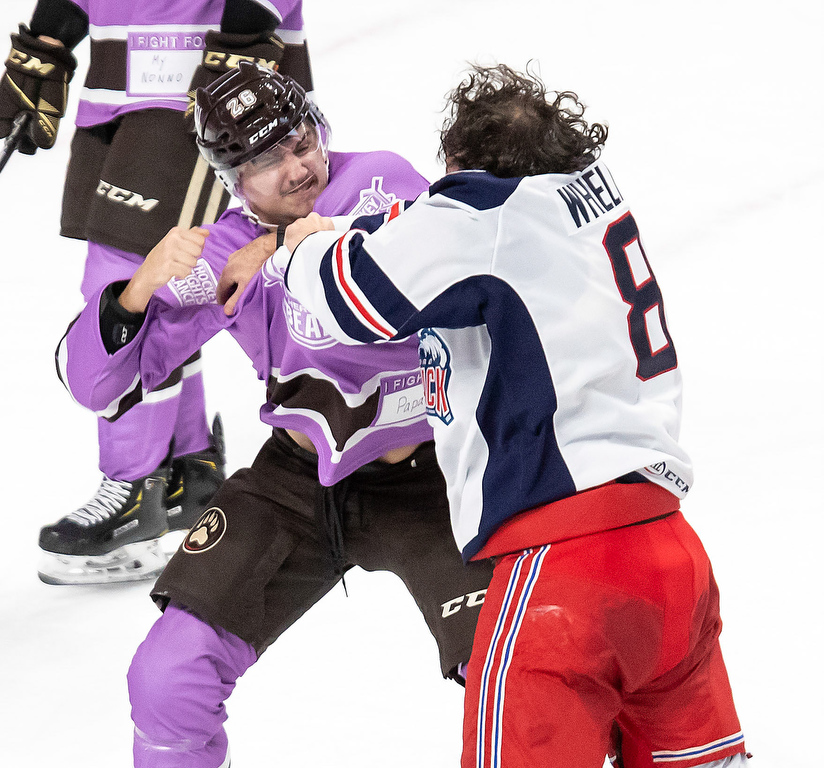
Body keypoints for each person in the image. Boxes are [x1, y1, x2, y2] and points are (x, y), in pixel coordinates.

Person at [262, 63, 749, 767]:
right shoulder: (586, 197)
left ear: (463, 168)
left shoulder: (477, 218)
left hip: (564, 575)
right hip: (671, 561)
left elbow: (352, 301)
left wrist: (296, 247)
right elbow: (437, 232)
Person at [57, 61, 497, 767]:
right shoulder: (218, 256)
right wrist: (136, 290)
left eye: (301, 142)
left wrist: (290, 251)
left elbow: (430, 256)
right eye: (267, 160)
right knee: (167, 680)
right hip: (297, 484)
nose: (299, 168)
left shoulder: (380, 180)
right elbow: (97, 384)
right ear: (231, 180)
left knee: (523, 672)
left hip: (438, 481)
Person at [0, 0, 313, 584]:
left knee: (129, 283)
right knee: (145, 284)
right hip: (119, 91)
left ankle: (137, 483)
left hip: (211, 84)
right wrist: (51, 35)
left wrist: (248, 24)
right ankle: (187, 473)